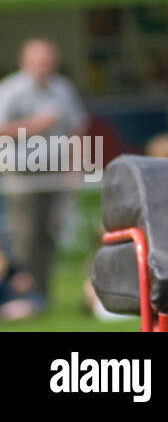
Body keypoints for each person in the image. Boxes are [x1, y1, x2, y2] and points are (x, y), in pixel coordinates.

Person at [0, 38, 89, 317]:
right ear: (24, 62)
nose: (43, 67)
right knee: (24, 235)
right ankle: (22, 294)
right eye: (38, 61)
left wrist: (74, 168)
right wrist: (36, 125)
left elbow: (77, 129)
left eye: (48, 61)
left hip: (55, 174)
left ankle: (42, 295)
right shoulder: (10, 90)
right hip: (21, 175)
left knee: (49, 235)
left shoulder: (63, 88)